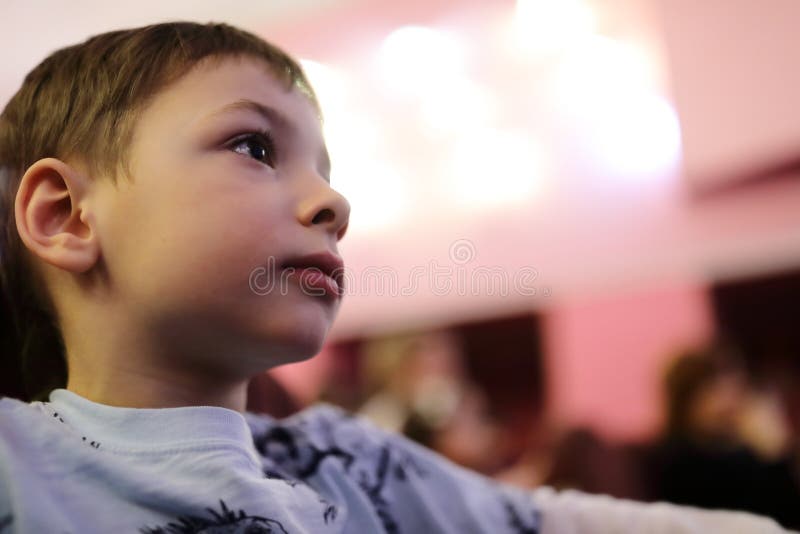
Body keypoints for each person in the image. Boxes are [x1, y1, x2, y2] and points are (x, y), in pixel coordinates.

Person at [0, 22, 790, 533]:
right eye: (255, 147)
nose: (334, 204)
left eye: (326, 171)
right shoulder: (22, 464)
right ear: (67, 216)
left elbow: (553, 522)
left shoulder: (349, 461)